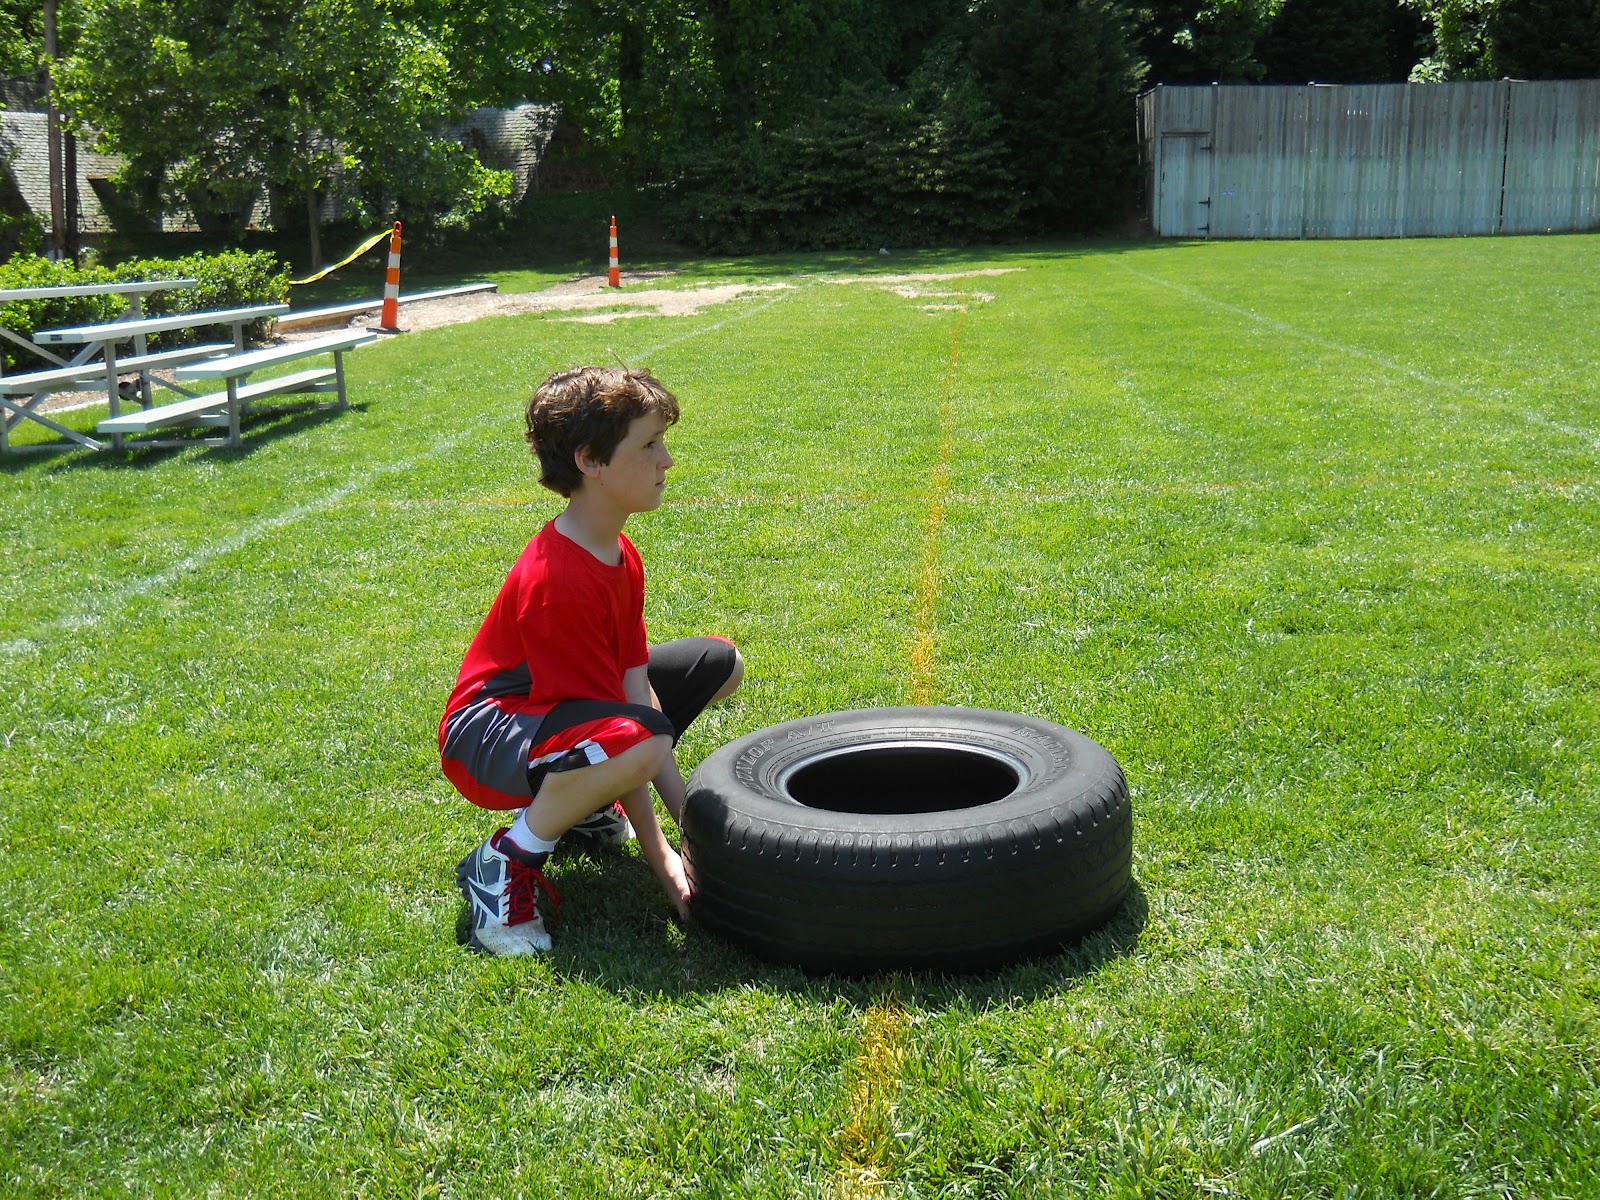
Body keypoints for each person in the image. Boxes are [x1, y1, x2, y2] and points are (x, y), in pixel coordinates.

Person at [439, 365, 744, 955]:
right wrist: (662, 860)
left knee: (719, 664)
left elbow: (633, 684)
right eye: (649, 444)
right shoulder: (561, 582)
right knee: (641, 741)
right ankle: (504, 862)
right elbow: (624, 726)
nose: (667, 460)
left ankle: (579, 808)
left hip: (550, 717)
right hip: (486, 735)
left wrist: (688, 832)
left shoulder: (616, 547)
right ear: (591, 462)